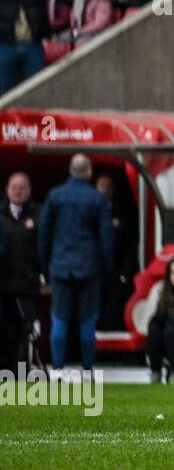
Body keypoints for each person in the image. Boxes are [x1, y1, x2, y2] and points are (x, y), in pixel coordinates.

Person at [38, 153, 113, 374]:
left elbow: (44, 235)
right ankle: (87, 369)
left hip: (60, 267)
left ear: (70, 171)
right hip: (89, 268)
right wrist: (107, 269)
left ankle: (58, 369)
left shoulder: (55, 196)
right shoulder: (97, 199)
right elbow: (106, 238)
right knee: (87, 322)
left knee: (59, 319)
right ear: (89, 172)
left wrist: (46, 266)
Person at [0, 171, 41, 374]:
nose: (17, 191)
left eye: (21, 187)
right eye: (14, 187)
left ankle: (22, 369)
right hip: (2, 284)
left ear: (29, 190)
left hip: (27, 283)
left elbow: (44, 247)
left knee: (25, 330)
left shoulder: (38, 213)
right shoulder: (0, 213)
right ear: (7, 189)